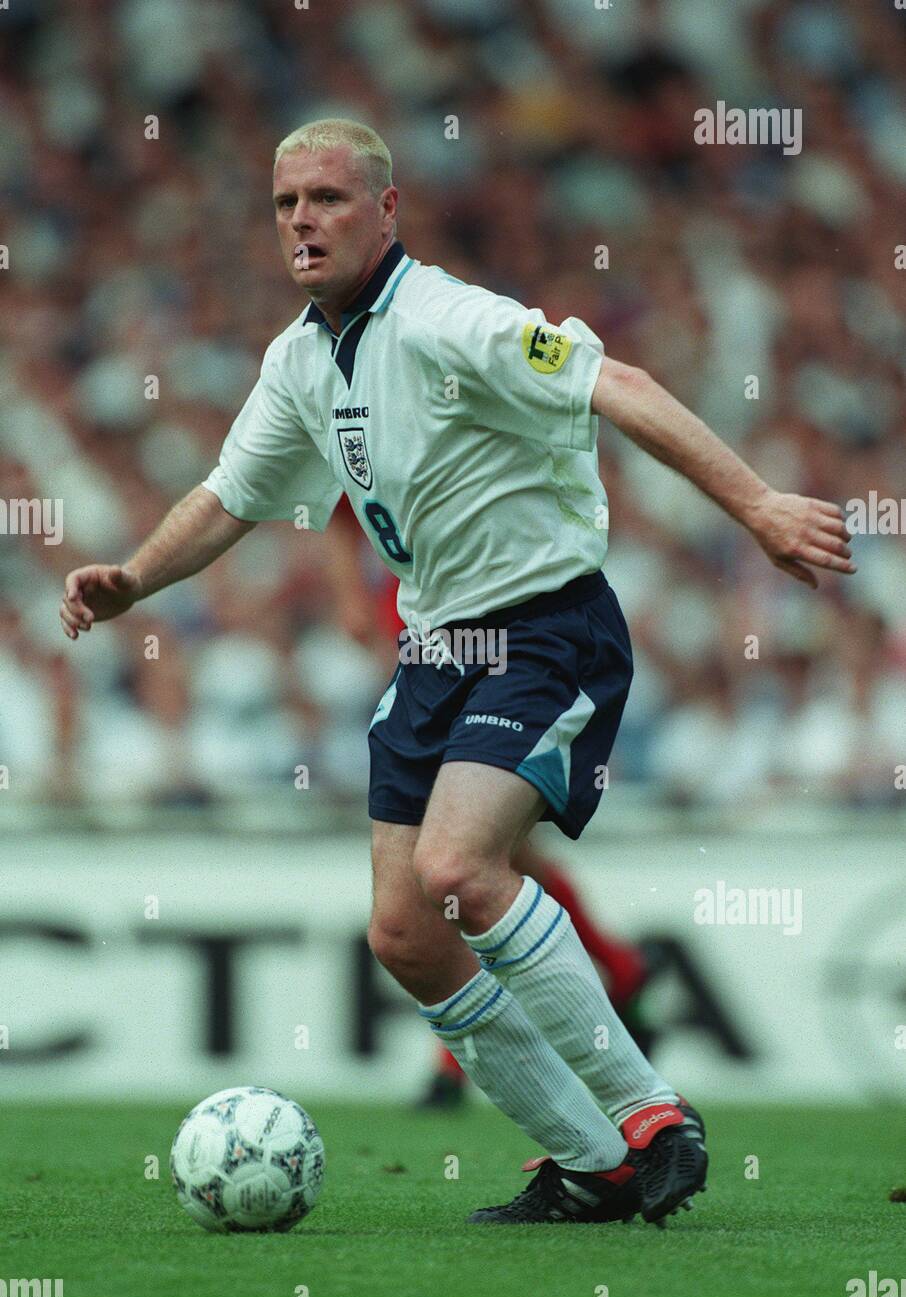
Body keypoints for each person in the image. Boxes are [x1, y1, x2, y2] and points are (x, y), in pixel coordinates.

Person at [60, 118, 856, 1226]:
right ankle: (593, 1165)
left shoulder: (451, 319)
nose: (303, 222)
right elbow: (231, 496)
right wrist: (136, 579)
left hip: (543, 629)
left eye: (329, 199)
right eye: (287, 203)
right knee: (405, 933)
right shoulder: (299, 359)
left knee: (459, 867)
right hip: (433, 652)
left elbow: (616, 381)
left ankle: (652, 1113)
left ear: (387, 210)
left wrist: (760, 505)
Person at [325, 491, 657, 1107]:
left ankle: (458, 1059)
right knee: (478, 854)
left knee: (464, 854)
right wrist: (352, 597)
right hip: (423, 630)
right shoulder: (363, 428)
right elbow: (344, 502)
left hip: (504, 626)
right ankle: (619, 967)